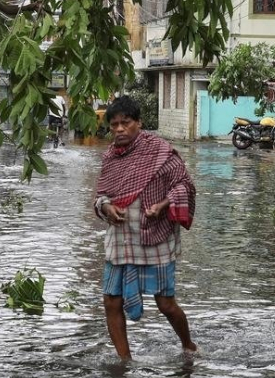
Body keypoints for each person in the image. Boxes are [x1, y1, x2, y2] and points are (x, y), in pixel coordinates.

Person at [93, 96, 197, 360]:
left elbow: (184, 186)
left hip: (155, 237)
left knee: (165, 303)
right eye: (114, 124)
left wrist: (163, 204)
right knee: (111, 301)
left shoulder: (161, 152)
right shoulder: (110, 159)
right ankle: (125, 362)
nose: (119, 129)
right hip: (120, 238)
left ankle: (188, 345)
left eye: (125, 123)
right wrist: (107, 208)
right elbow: (100, 196)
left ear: (138, 123)